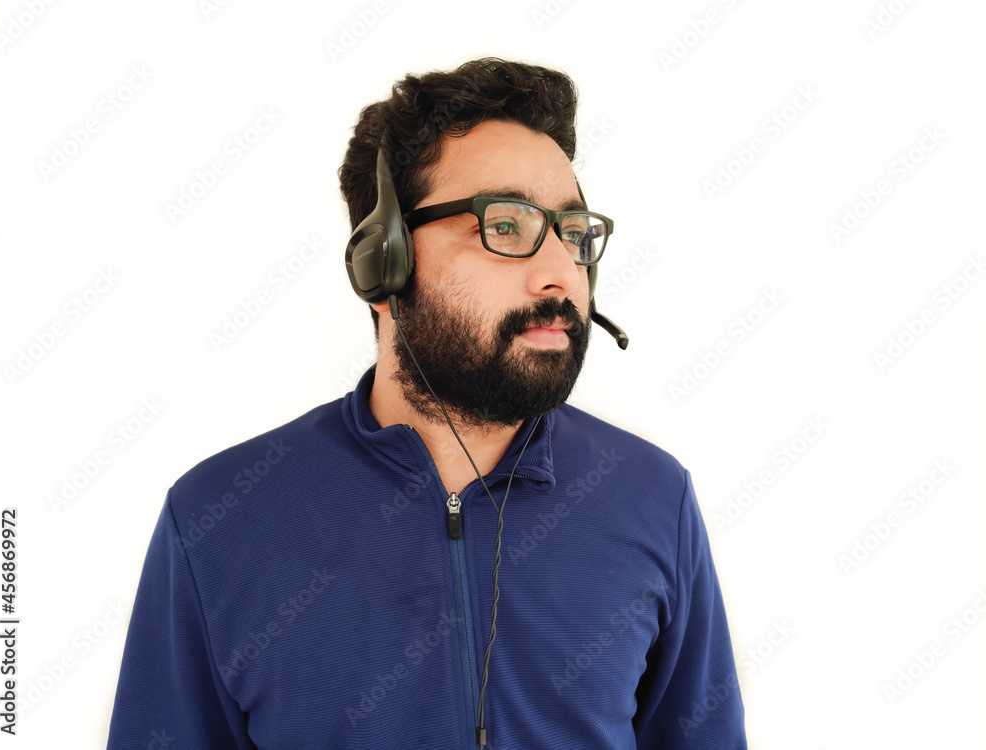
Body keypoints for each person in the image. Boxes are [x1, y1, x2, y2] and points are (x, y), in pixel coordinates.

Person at [106, 58, 746, 749]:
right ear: (384, 262)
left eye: (572, 231)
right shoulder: (218, 518)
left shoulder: (651, 497)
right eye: (506, 225)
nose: (561, 272)